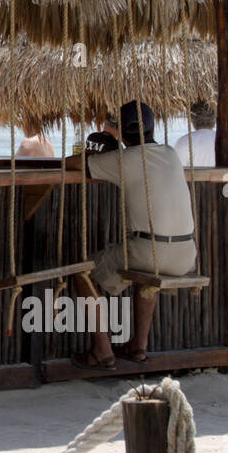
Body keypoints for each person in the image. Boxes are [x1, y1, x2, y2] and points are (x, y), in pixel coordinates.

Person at [64, 101, 196, 369]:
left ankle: (102, 350)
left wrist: (99, 147)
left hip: (149, 250)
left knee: (83, 273)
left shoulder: (124, 159)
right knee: (148, 277)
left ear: (121, 132)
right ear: (152, 127)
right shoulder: (170, 153)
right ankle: (138, 347)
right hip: (187, 254)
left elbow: (70, 163)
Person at [174, 100, 216, 167]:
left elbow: (177, 171)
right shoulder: (224, 140)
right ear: (214, 119)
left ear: (192, 120)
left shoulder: (183, 142)